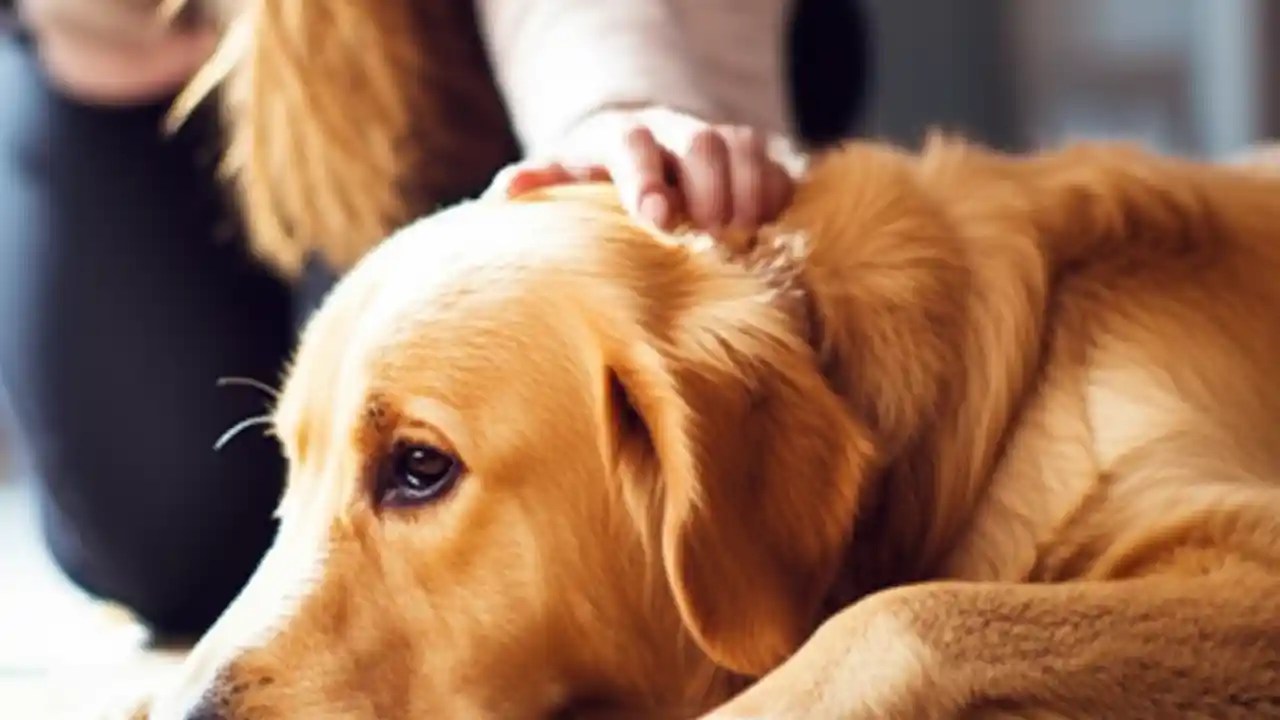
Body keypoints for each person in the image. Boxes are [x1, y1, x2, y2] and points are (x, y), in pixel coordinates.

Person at [0, 0, 869, 638]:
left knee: (451, 403)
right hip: (125, 48)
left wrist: (615, 111)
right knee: (170, 551)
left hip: (518, 42)